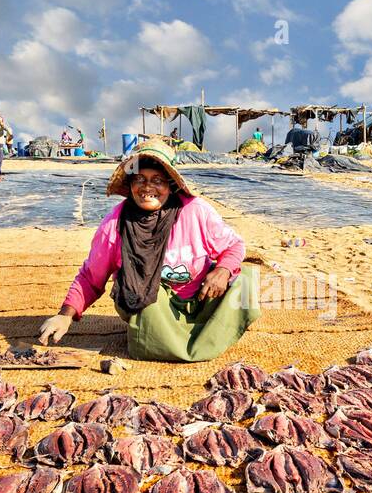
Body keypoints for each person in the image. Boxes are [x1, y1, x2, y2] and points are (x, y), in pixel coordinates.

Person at [38, 139, 259, 362]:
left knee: (245, 281)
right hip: (151, 301)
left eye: (157, 180)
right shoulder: (114, 224)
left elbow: (234, 246)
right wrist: (65, 315)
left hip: (198, 296)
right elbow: (91, 276)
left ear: (171, 185)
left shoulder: (195, 211)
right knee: (143, 293)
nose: (147, 187)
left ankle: (188, 333)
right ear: (130, 184)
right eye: (139, 179)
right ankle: (185, 339)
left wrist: (223, 270)